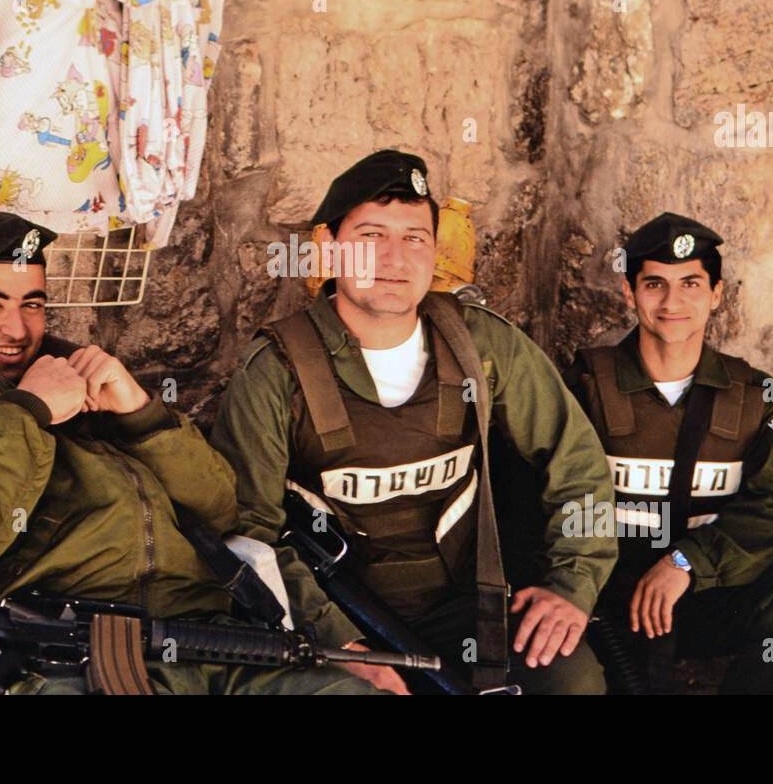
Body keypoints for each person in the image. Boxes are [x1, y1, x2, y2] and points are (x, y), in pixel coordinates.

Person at [0, 211, 381, 695]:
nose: (17, 328)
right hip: (48, 661)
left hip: (205, 634)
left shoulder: (67, 374)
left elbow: (219, 512)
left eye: (32, 304)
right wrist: (26, 414)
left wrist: (140, 415)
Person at [211, 150, 616, 695]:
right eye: (372, 236)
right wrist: (340, 646)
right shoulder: (275, 372)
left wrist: (574, 583)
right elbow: (247, 534)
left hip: (471, 609)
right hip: (340, 620)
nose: (394, 258)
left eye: (414, 238)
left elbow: (577, 462)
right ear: (328, 247)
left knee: (575, 682)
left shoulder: (482, 345)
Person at [563, 212, 773, 694]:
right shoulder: (586, 386)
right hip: (604, 606)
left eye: (691, 283)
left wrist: (687, 563)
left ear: (716, 294)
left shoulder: (752, 394)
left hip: (699, 596)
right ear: (629, 293)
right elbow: (540, 500)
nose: (673, 301)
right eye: (655, 284)